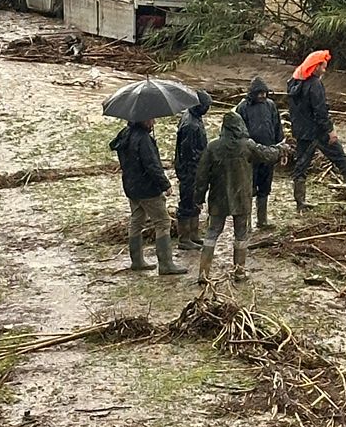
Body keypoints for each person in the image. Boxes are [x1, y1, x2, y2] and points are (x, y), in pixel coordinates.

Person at [194, 107, 287, 283]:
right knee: (241, 234)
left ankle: (203, 274)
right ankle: (239, 272)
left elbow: (201, 176)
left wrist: (198, 199)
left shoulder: (213, 146)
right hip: (241, 197)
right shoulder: (247, 145)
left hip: (218, 197)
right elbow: (267, 154)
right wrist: (281, 149)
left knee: (212, 233)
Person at [286, 48, 346, 212]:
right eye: (323, 66)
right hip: (319, 132)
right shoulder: (315, 84)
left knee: (300, 167)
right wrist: (330, 131)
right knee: (342, 160)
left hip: (302, 132)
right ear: (315, 67)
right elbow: (320, 111)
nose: (325, 69)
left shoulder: (293, 83)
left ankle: (300, 203)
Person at [111, 116, 184, 276]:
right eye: (150, 119)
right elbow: (152, 166)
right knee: (163, 222)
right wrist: (165, 184)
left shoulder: (124, 134)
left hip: (131, 187)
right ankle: (166, 264)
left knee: (136, 221)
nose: (153, 122)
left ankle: (137, 261)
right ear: (142, 120)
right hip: (147, 189)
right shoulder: (144, 140)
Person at [238, 75, 283, 231]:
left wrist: (279, 149)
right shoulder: (242, 107)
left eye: (264, 92)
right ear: (253, 93)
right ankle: (247, 223)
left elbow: (277, 127)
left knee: (265, 188)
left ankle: (262, 220)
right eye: (259, 93)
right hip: (250, 155)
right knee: (249, 189)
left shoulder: (270, 106)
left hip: (269, 153)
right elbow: (239, 132)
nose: (262, 96)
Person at [174, 89, 212, 247]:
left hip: (194, 168)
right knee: (188, 202)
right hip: (190, 170)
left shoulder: (193, 117)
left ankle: (194, 233)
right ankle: (184, 238)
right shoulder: (191, 124)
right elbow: (190, 152)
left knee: (196, 200)